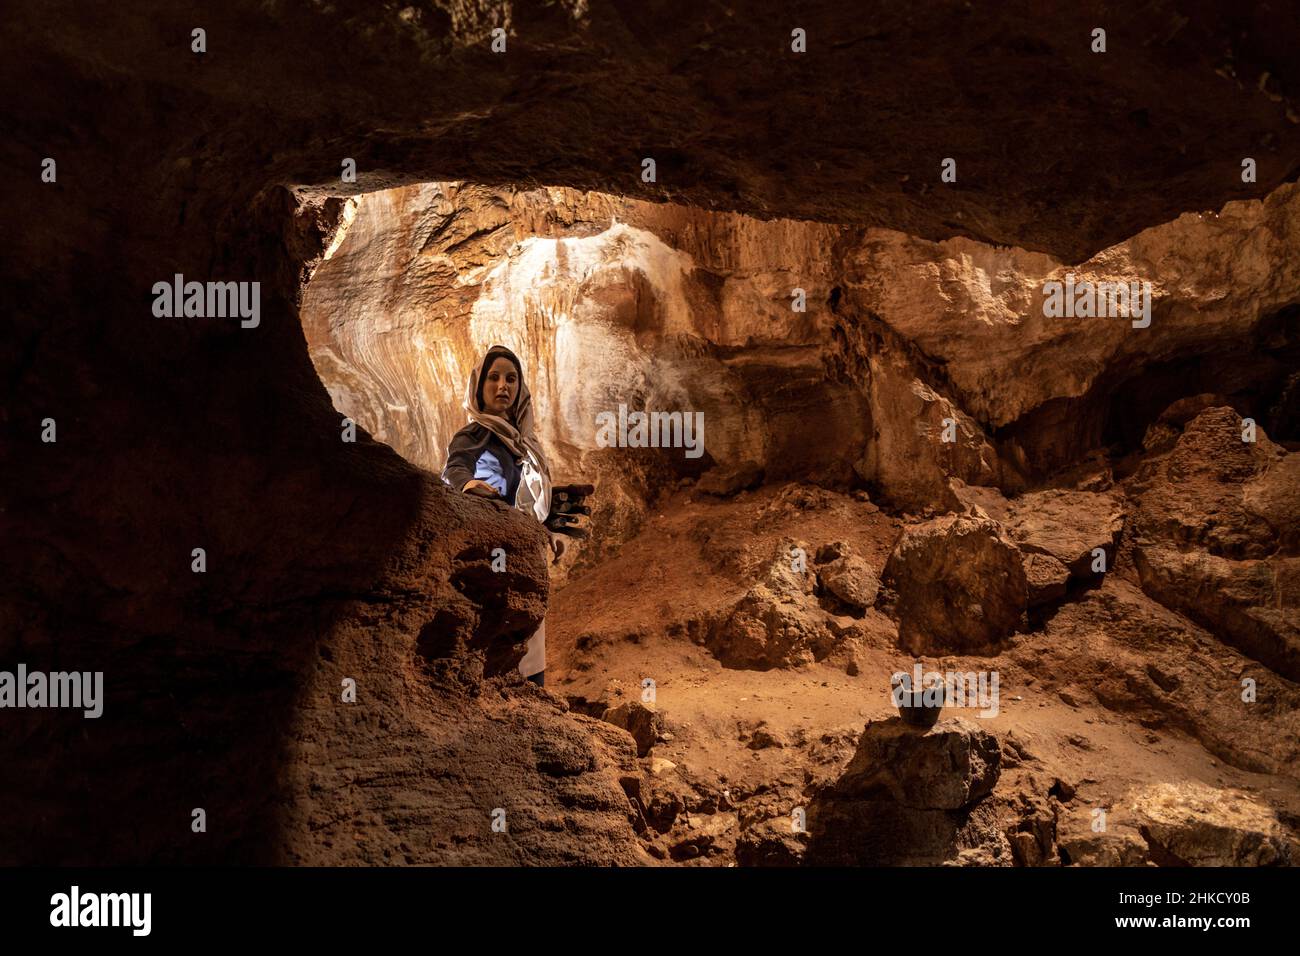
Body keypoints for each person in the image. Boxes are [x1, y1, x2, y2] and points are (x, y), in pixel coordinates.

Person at [441, 345, 563, 687]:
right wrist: (468, 484)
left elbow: (528, 499)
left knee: (530, 638)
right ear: (479, 386)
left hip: (525, 554)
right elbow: (454, 468)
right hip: (494, 556)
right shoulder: (474, 434)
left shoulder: (524, 442)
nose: (502, 386)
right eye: (492, 378)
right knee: (500, 636)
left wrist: (546, 531)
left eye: (510, 378)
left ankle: (532, 713)